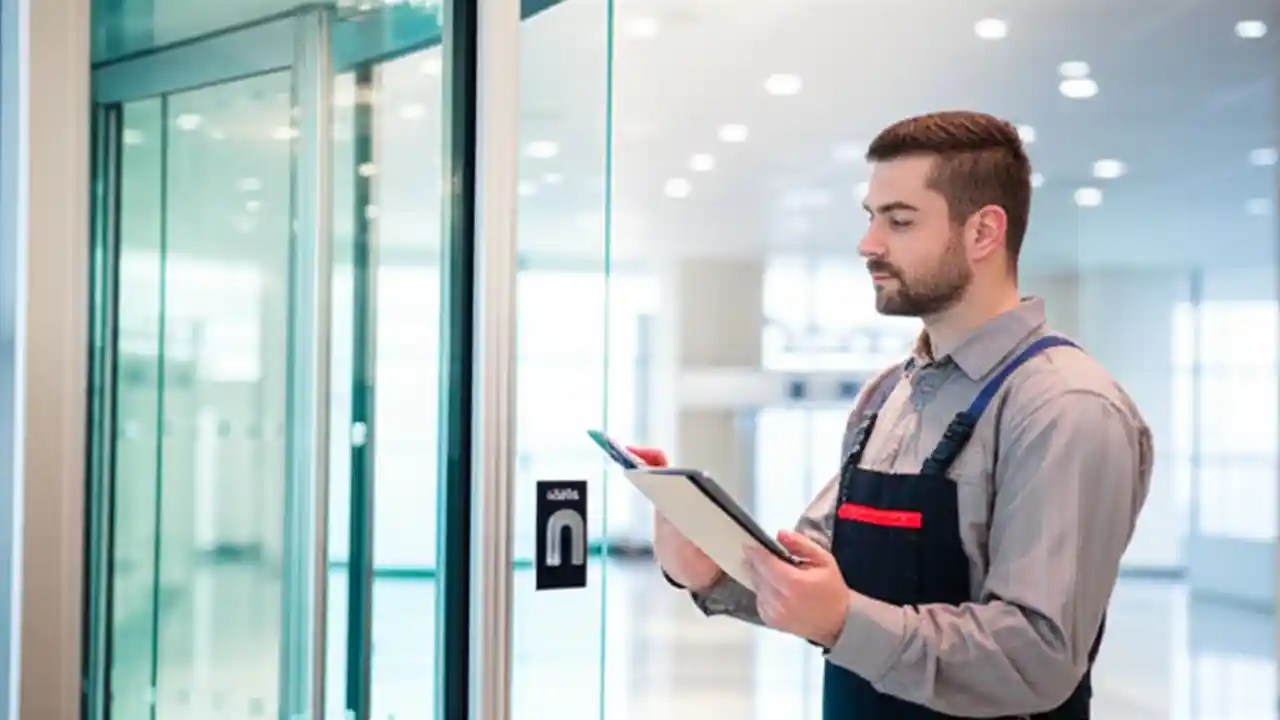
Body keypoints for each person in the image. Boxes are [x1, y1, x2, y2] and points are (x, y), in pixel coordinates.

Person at [645, 110, 1153, 719]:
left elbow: (1036, 658)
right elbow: (818, 578)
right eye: (870, 217)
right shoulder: (887, 394)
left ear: (984, 232)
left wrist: (843, 620)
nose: (869, 244)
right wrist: (715, 572)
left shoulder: (1065, 408)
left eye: (899, 221)